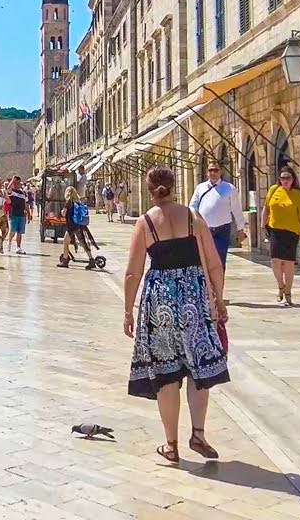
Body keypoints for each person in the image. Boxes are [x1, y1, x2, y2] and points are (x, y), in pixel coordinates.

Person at [123, 167, 229, 464]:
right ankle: (198, 434)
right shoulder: (194, 217)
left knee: (166, 373)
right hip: (194, 299)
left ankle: (171, 445)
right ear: (173, 187)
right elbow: (214, 264)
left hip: (160, 304)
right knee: (199, 368)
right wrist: (218, 299)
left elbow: (133, 273)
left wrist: (128, 311)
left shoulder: (146, 222)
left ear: (149, 191)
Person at [260, 166, 300, 306]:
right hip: (275, 230)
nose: (285, 180)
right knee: (275, 261)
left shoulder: (298, 194)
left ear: (293, 179)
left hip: (291, 232)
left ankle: (288, 291)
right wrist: (262, 226)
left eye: (288, 178)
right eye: (282, 178)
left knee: (288, 263)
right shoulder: (274, 190)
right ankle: (281, 286)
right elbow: (266, 208)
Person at [189, 162, 247, 274]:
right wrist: (193, 223)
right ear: (207, 172)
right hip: (204, 229)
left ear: (220, 172)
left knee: (220, 260)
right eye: (210, 170)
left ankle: (219, 283)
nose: (213, 173)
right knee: (204, 259)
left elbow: (236, 210)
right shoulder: (200, 188)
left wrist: (241, 229)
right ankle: (207, 283)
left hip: (222, 230)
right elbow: (192, 206)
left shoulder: (229, 188)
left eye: (215, 170)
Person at [59, 186, 86, 267]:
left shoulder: (68, 202)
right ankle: (91, 259)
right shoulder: (77, 201)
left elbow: (64, 213)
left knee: (65, 242)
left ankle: (65, 260)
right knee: (82, 242)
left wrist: (62, 211)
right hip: (78, 224)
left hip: (71, 226)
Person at [6, 176, 31, 254]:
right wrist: (13, 179)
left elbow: (26, 204)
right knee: (13, 231)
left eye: (19, 183)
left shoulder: (23, 193)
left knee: (20, 232)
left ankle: (18, 247)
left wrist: (29, 214)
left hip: (22, 215)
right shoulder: (11, 192)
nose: (17, 184)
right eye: (16, 183)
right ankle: (9, 241)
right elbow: (8, 188)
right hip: (13, 214)